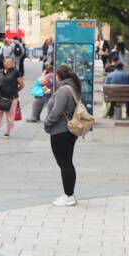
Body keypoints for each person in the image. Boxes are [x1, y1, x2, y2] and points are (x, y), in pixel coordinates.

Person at [42, 65, 83, 207]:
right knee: (67, 163)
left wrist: (47, 124)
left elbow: (56, 112)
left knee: (64, 164)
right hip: (69, 132)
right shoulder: (73, 88)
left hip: (60, 131)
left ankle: (69, 196)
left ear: (60, 77)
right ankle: (69, 193)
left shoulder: (63, 90)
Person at [0, 57, 25, 136]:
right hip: (0, 97)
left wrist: (15, 91)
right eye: (7, 62)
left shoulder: (16, 72)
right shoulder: (1, 72)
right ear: (3, 63)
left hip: (11, 98)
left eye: (10, 62)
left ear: (12, 63)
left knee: (9, 115)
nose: (8, 63)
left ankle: (8, 131)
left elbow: (22, 85)